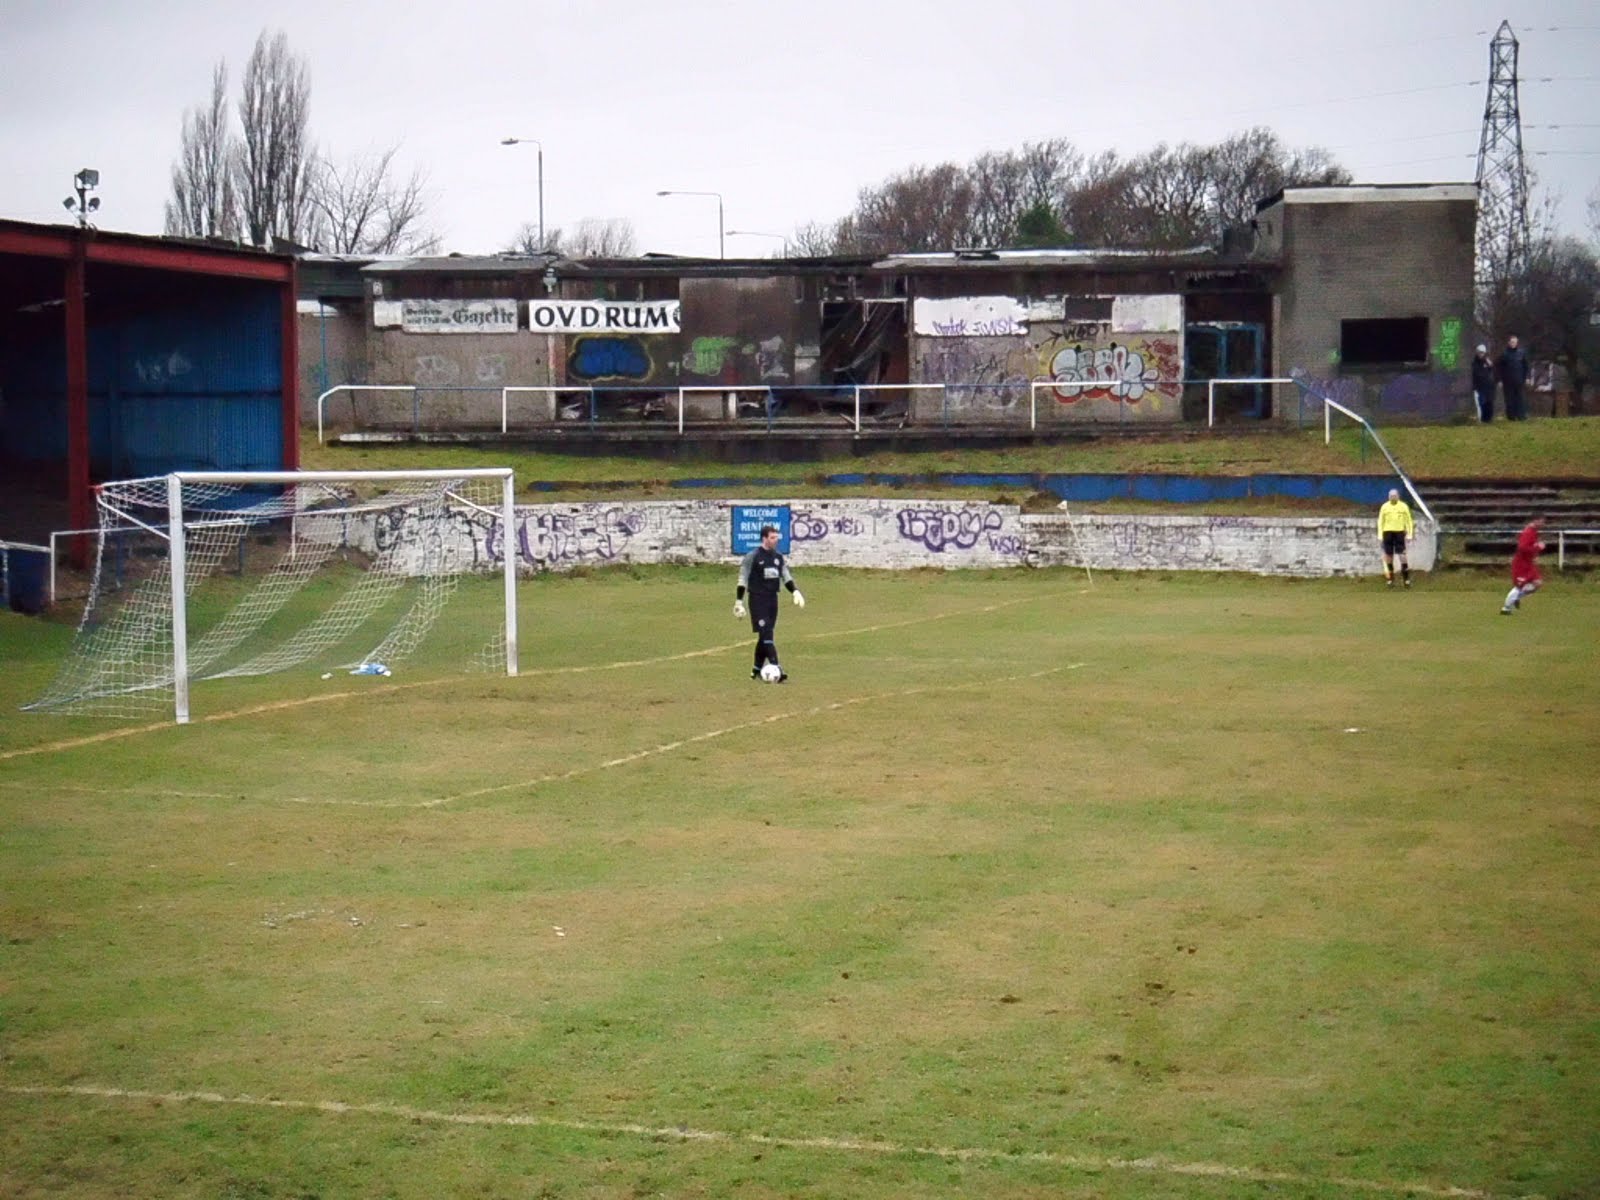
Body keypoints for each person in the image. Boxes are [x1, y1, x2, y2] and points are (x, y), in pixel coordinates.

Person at [733, 524, 804, 680]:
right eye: (772, 538)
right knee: (766, 635)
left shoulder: (778, 557)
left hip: (772, 600)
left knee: (765, 636)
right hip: (757, 599)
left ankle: (756, 669)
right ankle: (777, 668)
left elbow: (785, 576)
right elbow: (743, 578)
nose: (775, 540)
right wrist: (739, 601)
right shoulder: (753, 556)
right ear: (764, 538)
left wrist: (795, 591)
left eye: (776, 537)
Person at [1500, 518, 1546, 615]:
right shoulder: (1528, 532)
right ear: (1535, 520)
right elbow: (1522, 548)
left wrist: (1535, 555)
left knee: (1537, 583)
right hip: (1521, 564)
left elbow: (1531, 547)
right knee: (1520, 586)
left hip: (1528, 563)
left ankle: (1516, 598)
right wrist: (1538, 547)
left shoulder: (1534, 532)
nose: (1543, 524)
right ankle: (1505, 608)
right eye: (1541, 521)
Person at [1377, 488, 1414, 588]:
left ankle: (1406, 579)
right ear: (1388, 497)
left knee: (1402, 555)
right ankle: (1391, 579)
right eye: (1391, 496)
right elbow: (1381, 521)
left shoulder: (1403, 506)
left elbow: (1408, 521)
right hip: (1387, 533)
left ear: (1398, 496)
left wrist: (1410, 534)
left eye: (1394, 496)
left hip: (1399, 532)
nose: (1393, 498)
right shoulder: (1384, 507)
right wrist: (1380, 535)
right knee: (1388, 555)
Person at [1498, 334, 1529, 421]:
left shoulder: (1521, 353)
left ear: (1517, 343)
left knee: (1520, 398)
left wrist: (1527, 377)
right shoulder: (1504, 354)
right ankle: (1511, 417)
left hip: (1519, 380)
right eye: (1512, 342)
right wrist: (1500, 380)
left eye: (1515, 342)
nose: (1513, 344)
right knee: (1509, 399)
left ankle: (1521, 416)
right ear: (1509, 342)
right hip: (1507, 381)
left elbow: (1526, 366)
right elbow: (1500, 368)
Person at [1471, 344, 1496, 423]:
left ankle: (1488, 419)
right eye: (1480, 352)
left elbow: (1492, 369)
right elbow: (1477, 374)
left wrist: (1490, 365)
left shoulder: (1487, 361)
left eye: (1482, 353)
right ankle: (1482, 419)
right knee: (1482, 403)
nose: (1481, 354)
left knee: (1489, 402)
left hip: (1488, 386)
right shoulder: (1475, 363)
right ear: (1477, 353)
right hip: (1480, 387)